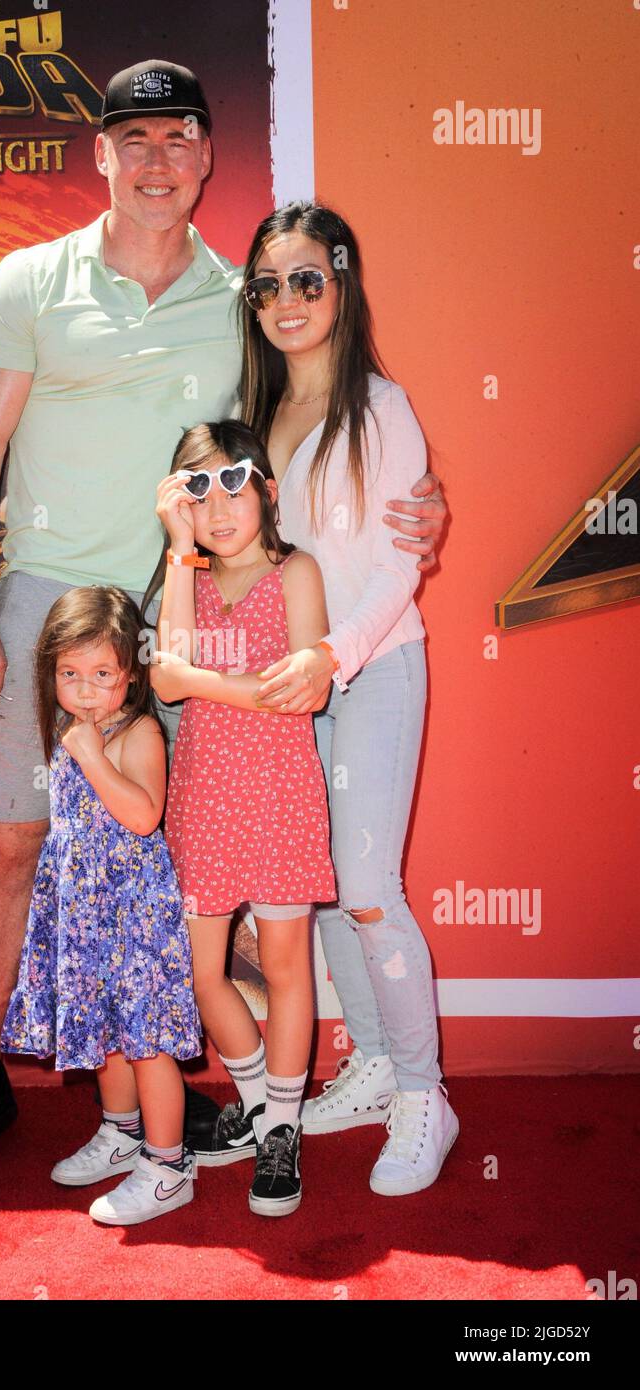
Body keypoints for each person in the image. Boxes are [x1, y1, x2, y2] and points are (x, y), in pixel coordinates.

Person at [0, 57, 447, 1198]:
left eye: (177, 137)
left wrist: (417, 507)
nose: (155, 159)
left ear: (205, 158)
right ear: (98, 153)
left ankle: (235, 1097)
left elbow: (311, 454)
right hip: (49, 602)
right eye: (131, 138)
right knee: (16, 841)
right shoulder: (27, 284)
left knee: (201, 862)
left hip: (196, 615)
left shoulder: (231, 306)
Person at [235, 201, 457, 1195]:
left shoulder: (382, 406)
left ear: (341, 284)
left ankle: (423, 1091)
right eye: (268, 285)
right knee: (319, 884)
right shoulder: (252, 419)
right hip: (285, 687)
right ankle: (368, 1060)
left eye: (307, 280)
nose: (287, 300)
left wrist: (334, 654)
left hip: (371, 671)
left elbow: (399, 569)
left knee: (367, 886)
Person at [153, 420, 337, 1216]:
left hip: (280, 795)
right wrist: (175, 552)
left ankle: (281, 1131)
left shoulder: (297, 572)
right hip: (202, 798)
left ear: (264, 487)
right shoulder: (182, 576)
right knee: (203, 975)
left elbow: (304, 688)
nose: (217, 504)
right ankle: (265, 1109)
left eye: (233, 481)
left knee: (288, 966)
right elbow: (162, 684)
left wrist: (200, 676)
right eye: (196, 488)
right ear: (177, 505)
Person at [0, 585, 201, 1225]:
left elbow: (143, 816)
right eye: (69, 674)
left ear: (132, 673)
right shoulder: (73, 729)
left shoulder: (136, 731)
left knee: (146, 1041)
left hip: (133, 913)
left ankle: (170, 1167)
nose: (85, 690)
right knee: (106, 1033)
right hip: (85, 911)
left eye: (102, 674)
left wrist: (92, 757)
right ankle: (121, 1132)